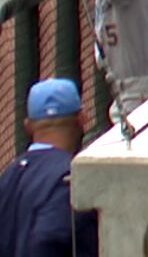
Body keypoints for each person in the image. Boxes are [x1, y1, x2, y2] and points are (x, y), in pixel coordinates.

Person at [0, 79, 96, 257]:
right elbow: (48, 239)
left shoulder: (8, 175)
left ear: (28, 125)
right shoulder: (71, 176)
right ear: (82, 118)